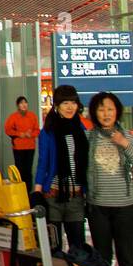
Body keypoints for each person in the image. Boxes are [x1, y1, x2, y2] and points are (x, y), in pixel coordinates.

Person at [86, 91, 133, 266]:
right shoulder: (89, 138)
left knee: (127, 259)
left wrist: (125, 144)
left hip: (125, 207)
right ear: (94, 113)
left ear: (117, 111)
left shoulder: (126, 137)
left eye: (110, 109)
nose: (106, 113)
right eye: (101, 109)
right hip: (98, 207)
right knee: (102, 259)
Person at [32, 85, 89, 251]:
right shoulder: (48, 132)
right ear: (57, 106)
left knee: (78, 247)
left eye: (73, 102)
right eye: (65, 103)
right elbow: (43, 162)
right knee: (53, 248)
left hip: (76, 197)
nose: (70, 107)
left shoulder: (82, 130)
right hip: (53, 196)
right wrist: (37, 191)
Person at [4, 96, 39, 182]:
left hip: (30, 147)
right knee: (19, 170)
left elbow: (37, 130)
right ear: (18, 105)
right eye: (21, 103)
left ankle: (28, 190)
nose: (24, 105)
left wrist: (30, 135)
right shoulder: (13, 117)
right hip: (18, 148)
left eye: (25, 102)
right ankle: (20, 189)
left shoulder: (32, 116)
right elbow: (8, 130)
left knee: (28, 170)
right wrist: (20, 134)